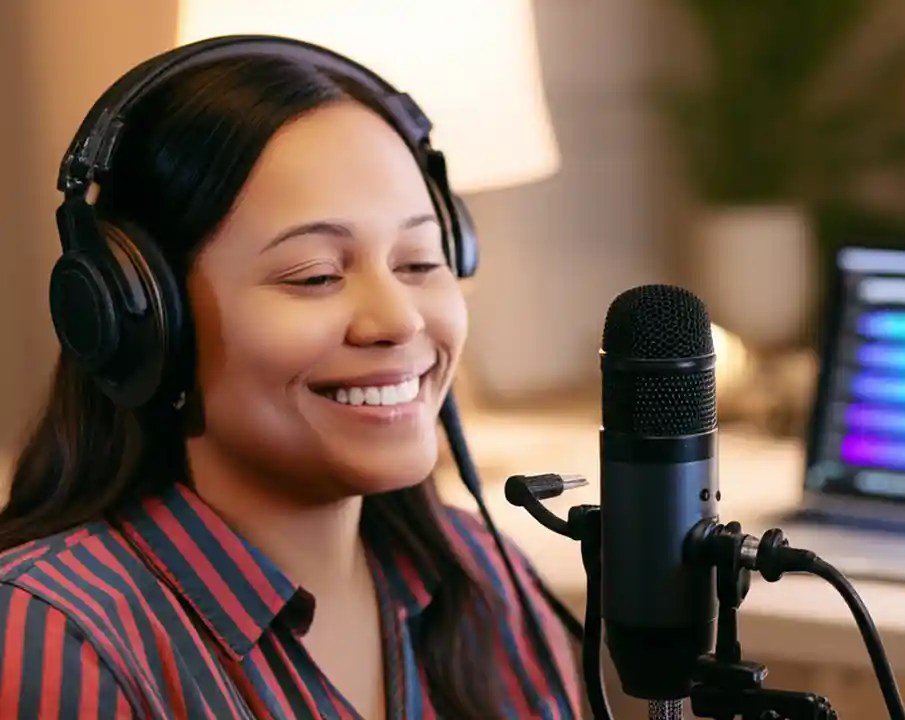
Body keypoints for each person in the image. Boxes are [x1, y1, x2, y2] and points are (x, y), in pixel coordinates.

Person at [0, 37, 579, 719]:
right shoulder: (59, 636)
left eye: (420, 262)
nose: (396, 319)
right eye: (316, 276)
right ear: (145, 321)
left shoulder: (483, 575)